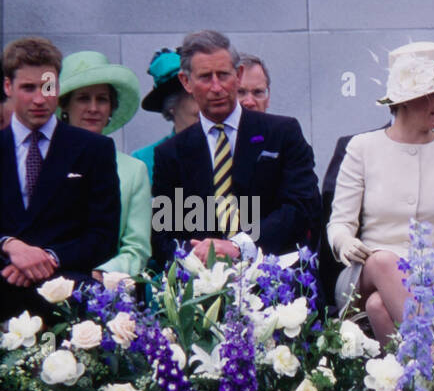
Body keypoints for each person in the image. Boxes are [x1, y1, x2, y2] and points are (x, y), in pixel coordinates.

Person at [327, 42, 434, 346]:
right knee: (384, 261)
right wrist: (346, 243)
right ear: (406, 99)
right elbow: (339, 224)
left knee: (379, 305)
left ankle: (410, 380)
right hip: (363, 275)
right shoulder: (362, 147)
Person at [151, 29, 320, 267]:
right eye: (205, 77)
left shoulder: (282, 133)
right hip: (202, 284)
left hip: (274, 276)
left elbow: (301, 208)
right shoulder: (171, 153)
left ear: (238, 74)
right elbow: (165, 235)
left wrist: (239, 246)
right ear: (186, 82)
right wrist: (200, 260)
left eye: (223, 75)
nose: (217, 87)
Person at [1, 37, 119, 321]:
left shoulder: (94, 149)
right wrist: (9, 246)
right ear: (8, 87)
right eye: (28, 88)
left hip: (67, 297)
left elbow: (104, 236)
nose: (40, 99)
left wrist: (49, 257)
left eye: (48, 87)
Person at [57, 51, 151, 280]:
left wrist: (103, 274)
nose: (93, 108)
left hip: (104, 294)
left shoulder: (134, 169)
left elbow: (137, 249)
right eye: (83, 98)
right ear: (65, 106)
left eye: (102, 99)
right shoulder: (42, 162)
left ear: (111, 109)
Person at [132, 48, 200, 182]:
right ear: (171, 106)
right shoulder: (145, 160)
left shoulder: (225, 151)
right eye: (195, 97)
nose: (207, 106)